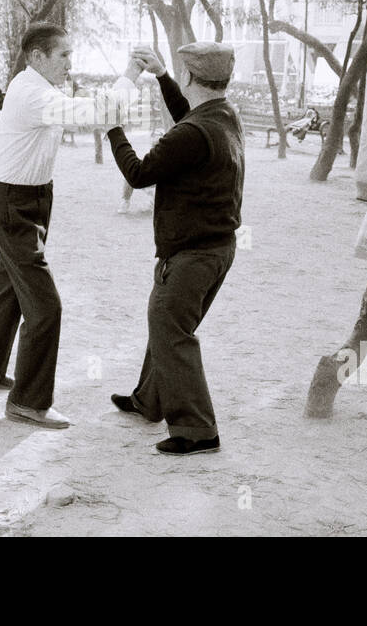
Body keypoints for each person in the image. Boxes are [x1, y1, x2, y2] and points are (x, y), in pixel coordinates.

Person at [0, 22, 130, 430]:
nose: (70, 64)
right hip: (14, 205)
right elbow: (96, 114)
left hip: (31, 199)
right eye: (64, 56)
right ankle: (28, 402)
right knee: (46, 305)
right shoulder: (32, 93)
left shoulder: (38, 87)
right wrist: (130, 74)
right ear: (37, 57)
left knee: (9, 288)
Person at [104, 42, 244, 456]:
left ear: (190, 76)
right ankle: (150, 400)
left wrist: (113, 129)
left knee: (170, 328)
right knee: (164, 323)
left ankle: (198, 430)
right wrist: (163, 76)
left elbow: (139, 173)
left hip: (192, 254)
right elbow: (188, 117)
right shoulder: (223, 115)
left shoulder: (190, 133)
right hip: (217, 248)